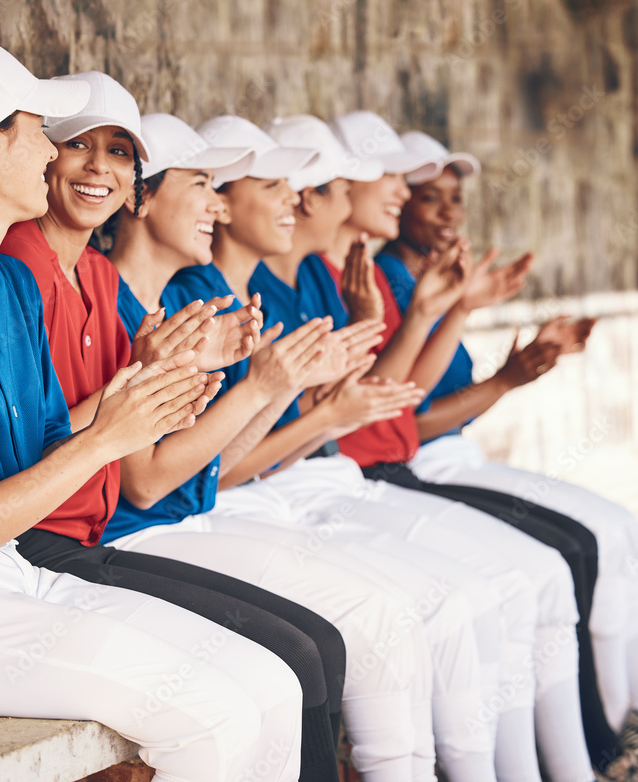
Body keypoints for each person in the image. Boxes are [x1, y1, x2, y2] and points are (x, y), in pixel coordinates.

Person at [0, 37, 304, 782]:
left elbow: (50, 437)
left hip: (1, 576)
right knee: (213, 713)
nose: (52, 149)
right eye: (41, 130)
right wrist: (109, 438)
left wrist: (146, 385)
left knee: (266, 680)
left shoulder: (5, 292)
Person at [0, 70, 348, 782]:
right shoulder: (15, 273)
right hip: (44, 543)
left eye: (120, 153)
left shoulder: (94, 277)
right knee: (284, 668)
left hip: (89, 536)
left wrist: (221, 381)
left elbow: (167, 454)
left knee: (311, 652)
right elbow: (132, 477)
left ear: (134, 183)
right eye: (75, 146)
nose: (98, 167)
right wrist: (242, 388)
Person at [87, 108, 447, 782]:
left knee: (391, 618)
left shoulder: (157, 302)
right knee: (336, 641)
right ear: (141, 199)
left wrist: (285, 391)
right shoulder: (123, 301)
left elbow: (212, 464)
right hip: (136, 534)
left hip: (189, 517)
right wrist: (276, 390)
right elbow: (145, 484)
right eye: (202, 184)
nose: (217, 205)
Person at [381, 128, 638, 781]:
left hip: (451, 455)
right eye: (427, 198)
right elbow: (401, 426)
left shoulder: (435, 278)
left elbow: (438, 407)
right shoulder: (384, 280)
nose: (447, 212)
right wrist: (507, 376)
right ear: (394, 202)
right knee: (565, 558)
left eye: (455, 199)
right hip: (411, 472)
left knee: (618, 527)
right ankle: (614, 744)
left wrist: (520, 362)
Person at [256, 112, 613, 782]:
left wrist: (446, 312)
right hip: (332, 479)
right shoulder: (338, 276)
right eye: (384, 177)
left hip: (345, 473)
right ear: (316, 194)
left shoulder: (332, 275)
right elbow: (377, 425)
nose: (396, 191)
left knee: (553, 564)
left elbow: (383, 408)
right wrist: (457, 332)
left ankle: (588, 760)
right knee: (468, 601)